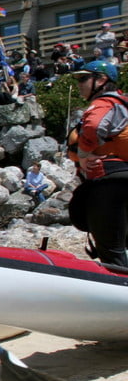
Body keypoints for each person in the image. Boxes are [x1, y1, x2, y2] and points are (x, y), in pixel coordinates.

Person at [68, 60, 128, 268]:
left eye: (83, 78)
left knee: (111, 251)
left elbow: (93, 126)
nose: (79, 84)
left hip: (108, 182)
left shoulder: (103, 102)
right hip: (123, 178)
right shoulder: (123, 103)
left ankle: (120, 286)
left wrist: (84, 154)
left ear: (101, 80)